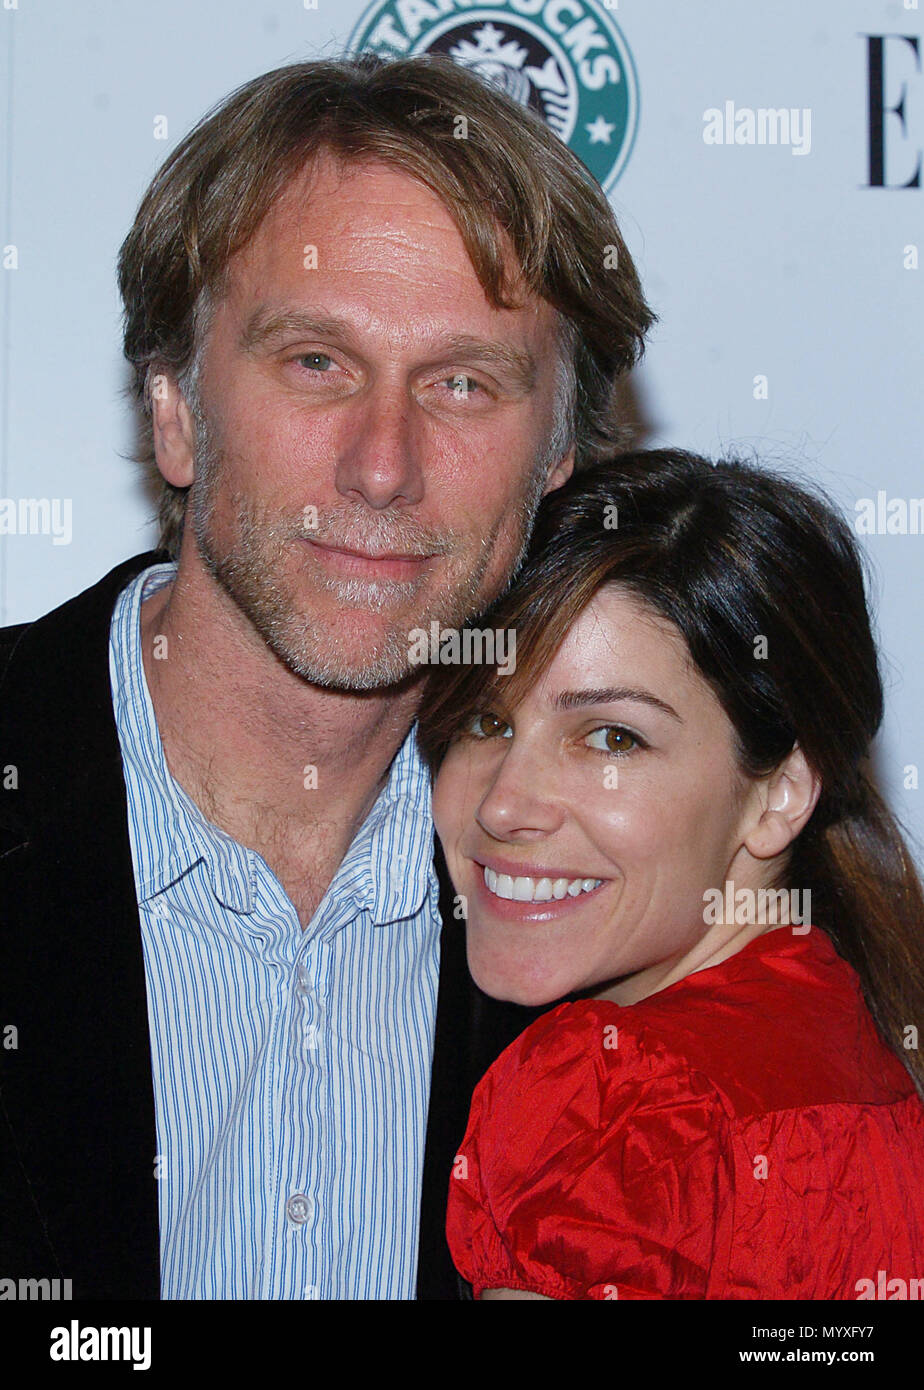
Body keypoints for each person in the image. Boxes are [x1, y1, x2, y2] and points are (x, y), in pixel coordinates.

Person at [0, 54, 654, 1300]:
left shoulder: (625, 898)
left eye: (464, 381)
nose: (381, 467)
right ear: (176, 411)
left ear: (559, 450)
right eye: (316, 362)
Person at [420, 448, 924, 1300]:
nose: (506, 805)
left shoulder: (611, 1098)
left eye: (613, 738)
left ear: (781, 792)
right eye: (484, 720)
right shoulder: (871, 1061)